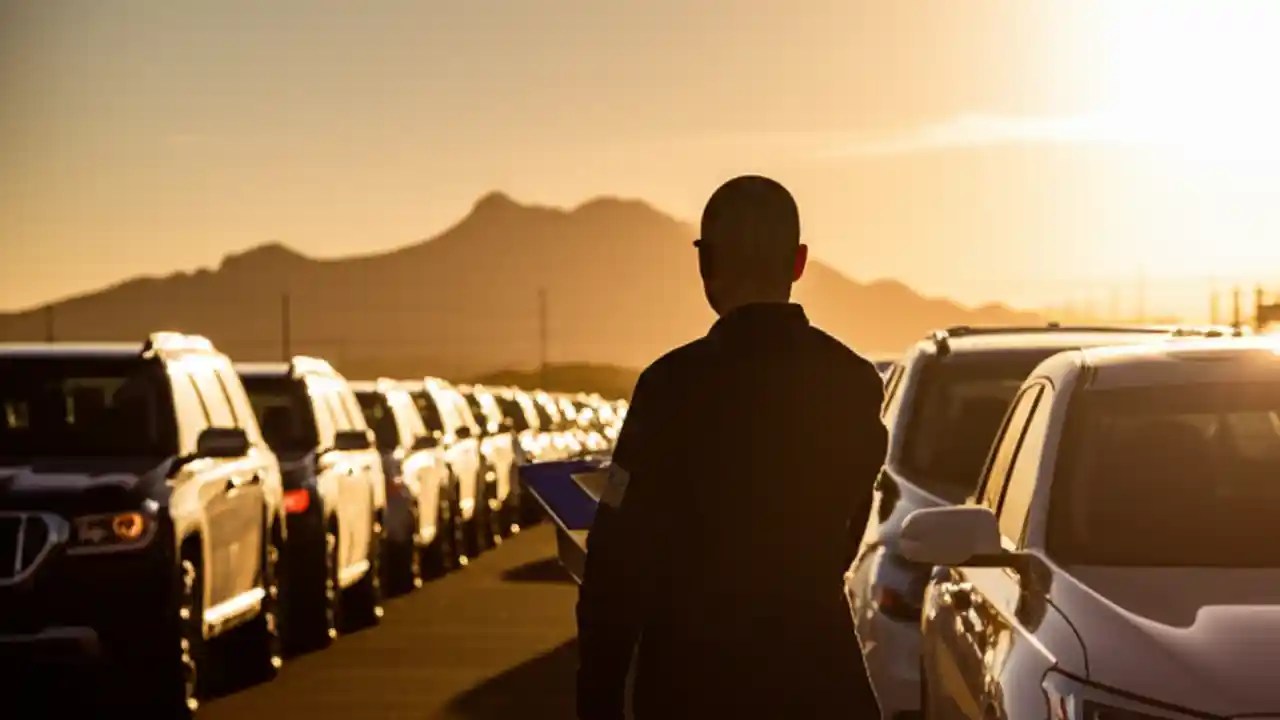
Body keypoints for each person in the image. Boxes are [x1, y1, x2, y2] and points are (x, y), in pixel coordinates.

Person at [577, 175, 887, 719]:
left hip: (690, 684)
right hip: (818, 680)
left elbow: (616, 563)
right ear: (798, 262)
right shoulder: (855, 384)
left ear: (706, 266)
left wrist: (598, 695)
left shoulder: (669, 387)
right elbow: (845, 538)